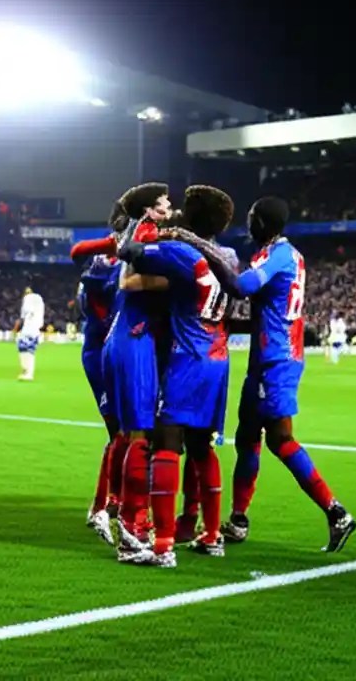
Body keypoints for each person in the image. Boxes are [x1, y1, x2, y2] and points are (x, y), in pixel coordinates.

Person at [222, 196, 356, 553]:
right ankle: (238, 519)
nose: (247, 224)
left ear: (262, 223)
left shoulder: (279, 254)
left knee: (280, 439)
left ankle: (336, 512)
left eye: (251, 217)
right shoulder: (288, 255)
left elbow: (243, 287)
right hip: (269, 357)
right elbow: (269, 310)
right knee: (247, 438)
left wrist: (210, 256)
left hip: (276, 359)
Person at [117, 185, 240, 566]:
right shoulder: (228, 256)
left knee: (166, 442)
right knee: (202, 447)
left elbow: (130, 252)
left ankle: (163, 546)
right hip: (219, 359)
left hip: (188, 357)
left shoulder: (181, 252)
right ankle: (212, 535)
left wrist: (143, 225)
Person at [100, 183, 173, 561]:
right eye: (163, 205)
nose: (170, 210)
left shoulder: (139, 230)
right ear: (148, 210)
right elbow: (128, 280)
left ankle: (122, 518)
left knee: (131, 435)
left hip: (128, 336)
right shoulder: (144, 231)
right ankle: (133, 530)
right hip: (134, 337)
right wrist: (177, 281)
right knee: (141, 436)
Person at [79, 254, 123, 546]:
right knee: (120, 433)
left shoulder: (104, 264)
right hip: (102, 354)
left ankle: (109, 503)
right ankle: (104, 505)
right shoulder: (105, 266)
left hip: (108, 351)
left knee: (123, 433)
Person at [15, 287, 45, 381]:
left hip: (28, 329)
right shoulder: (39, 299)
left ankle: (28, 373)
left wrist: (16, 328)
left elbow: (23, 317)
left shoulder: (27, 299)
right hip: (36, 329)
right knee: (27, 349)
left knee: (26, 350)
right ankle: (27, 371)